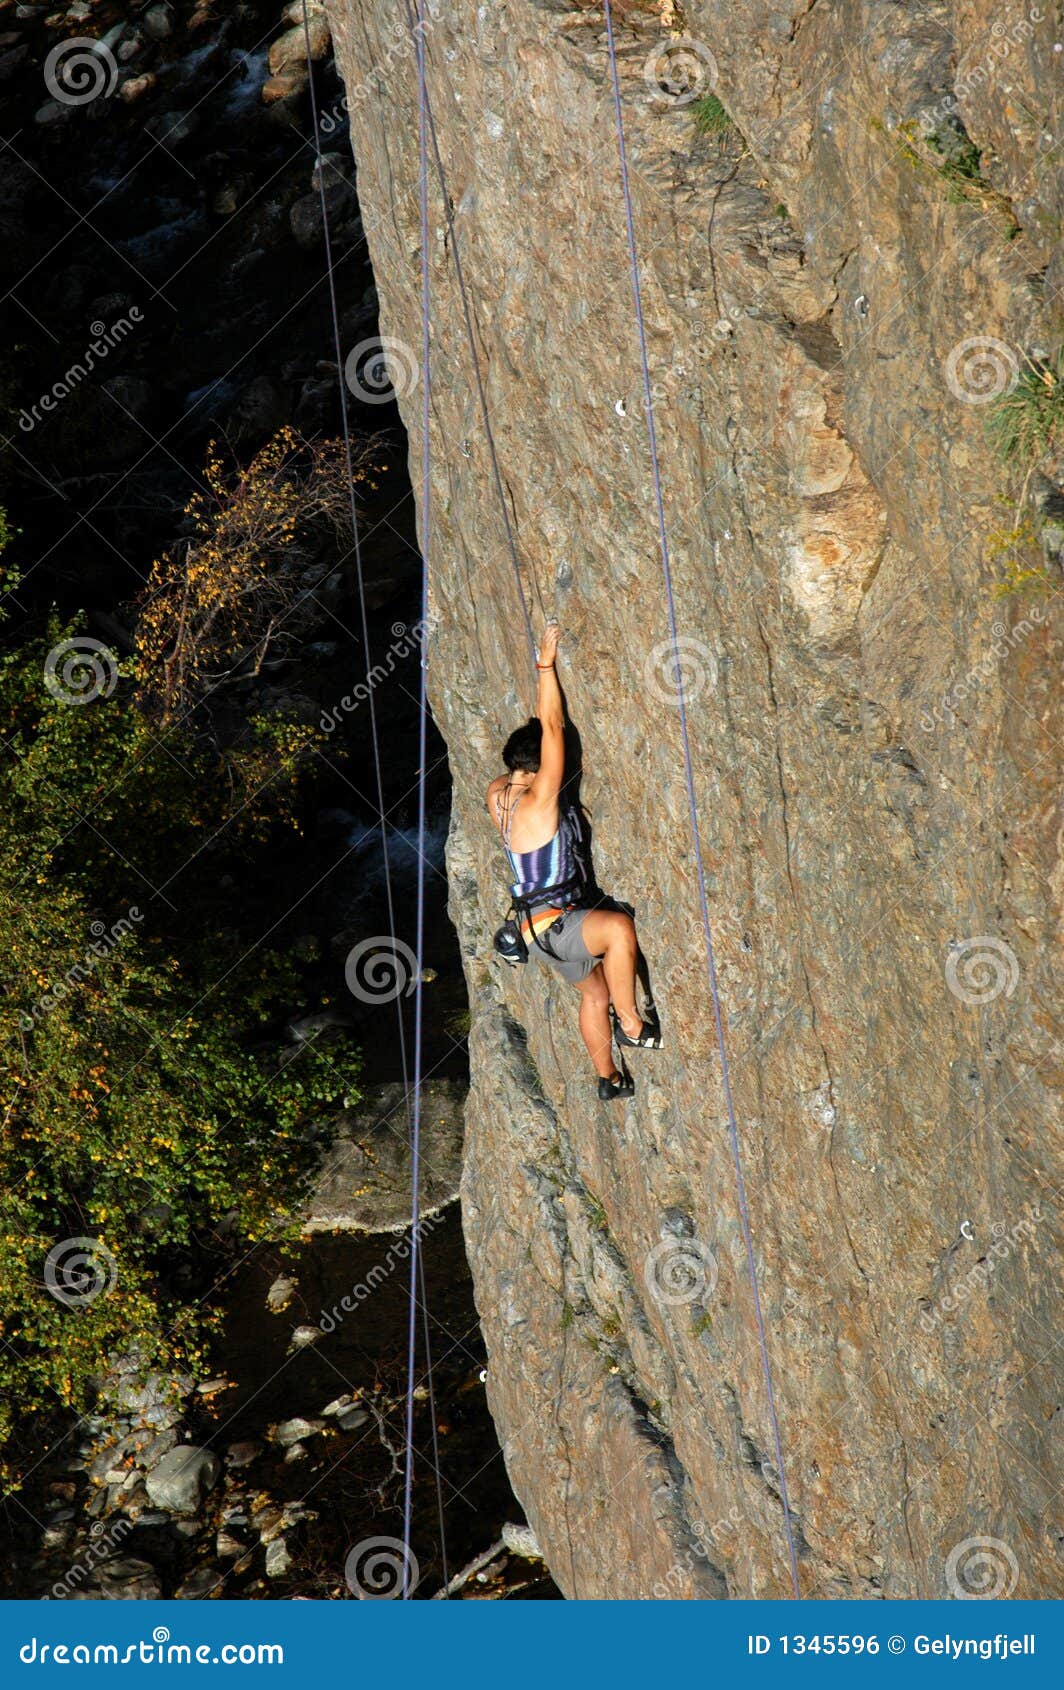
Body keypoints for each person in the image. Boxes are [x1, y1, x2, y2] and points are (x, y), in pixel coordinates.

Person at [487, 621, 661, 1101]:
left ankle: (608, 1077)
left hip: (532, 932)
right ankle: (630, 1024)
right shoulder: (540, 799)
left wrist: (542, 677)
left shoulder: (498, 792)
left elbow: (540, 734)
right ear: (539, 768)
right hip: (560, 926)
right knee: (619, 931)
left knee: (594, 992)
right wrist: (546, 666)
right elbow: (553, 730)